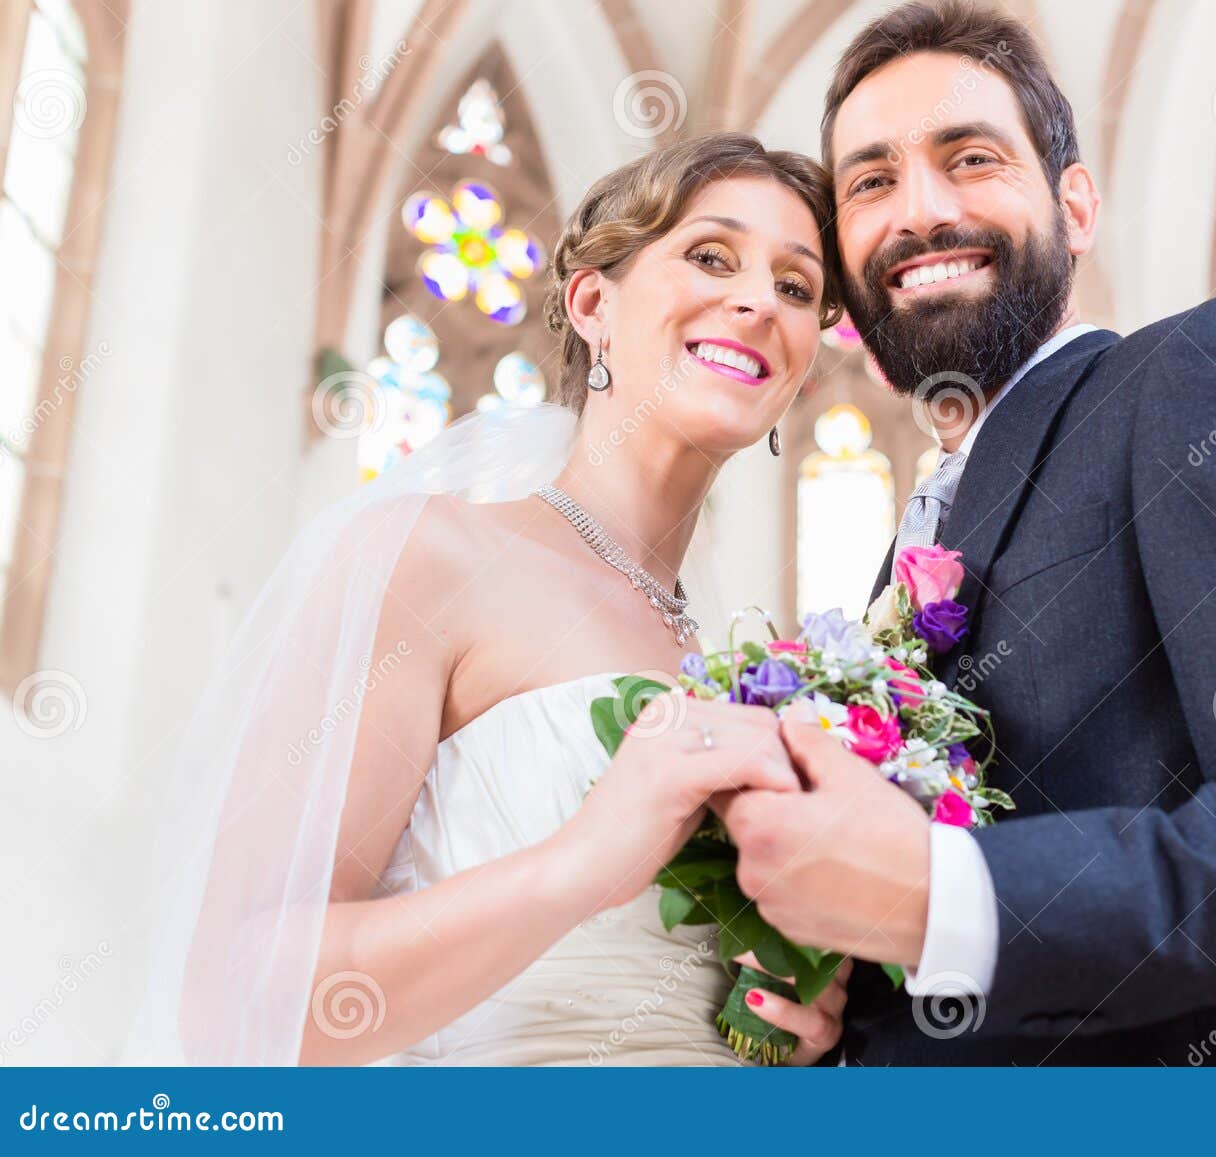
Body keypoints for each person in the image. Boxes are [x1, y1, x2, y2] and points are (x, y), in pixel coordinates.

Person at [713, 0, 1216, 1065]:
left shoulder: (1200, 376)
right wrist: (847, 983)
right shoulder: (906, 544)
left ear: (1076, 204)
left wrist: (944, 899)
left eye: (968, 158)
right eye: (870, 182)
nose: (918, 211)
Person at [127, 133, 851, 1066]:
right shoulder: (431, 556)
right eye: (711, 256)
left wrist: (775, 1016)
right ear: (593, 303)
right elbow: (233, 997)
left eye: (796, 288)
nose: (758, 301)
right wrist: (578, 863)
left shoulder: (735, 676)